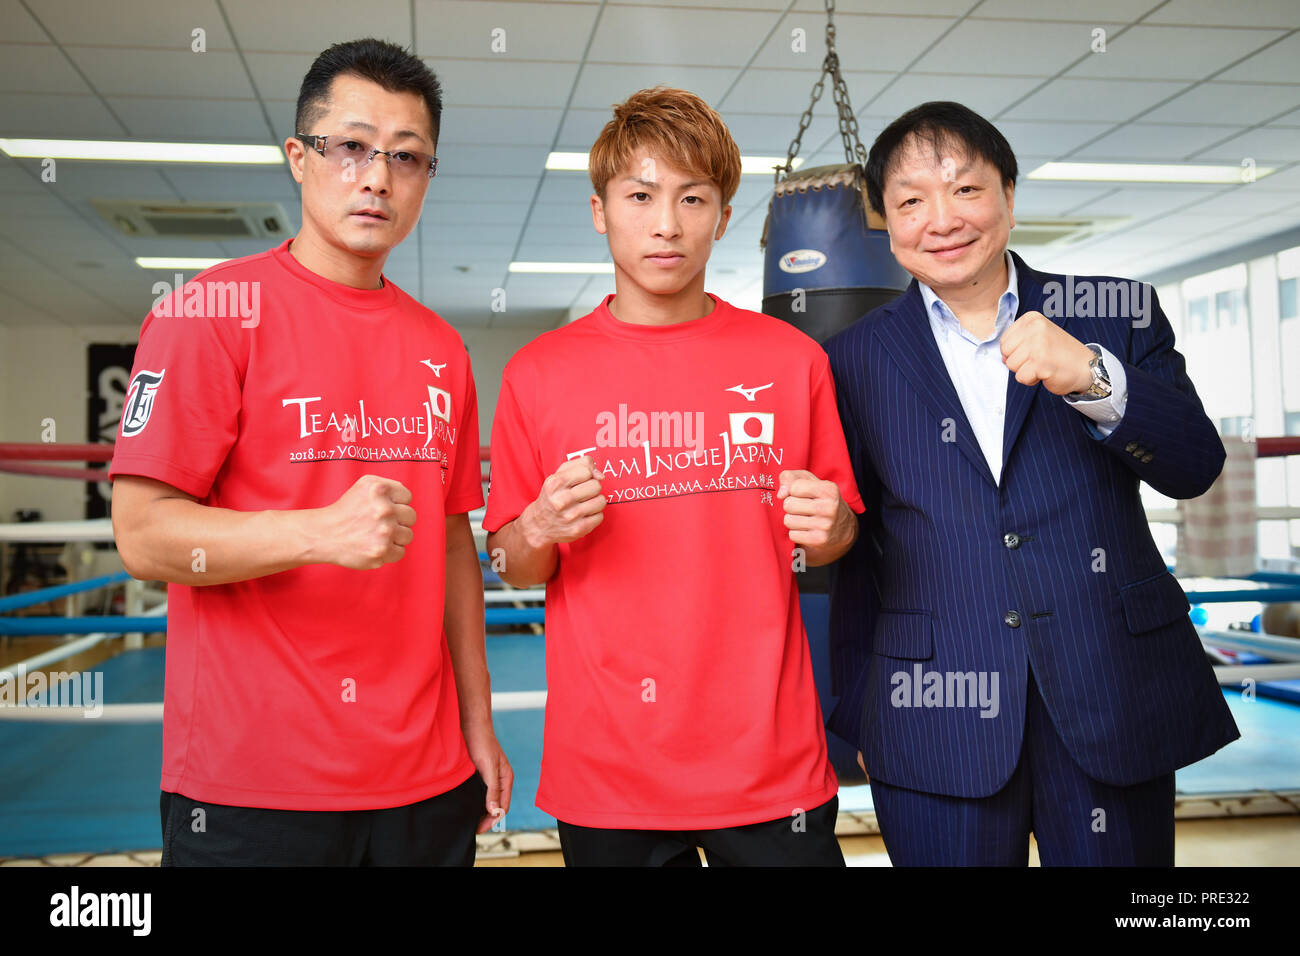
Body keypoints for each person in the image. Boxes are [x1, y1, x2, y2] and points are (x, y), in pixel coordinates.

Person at [108, 37, 511, 866]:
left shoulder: (441, 349)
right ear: (299, 157)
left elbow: (450, 540)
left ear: (427, 178)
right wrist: (318, 533)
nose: (377, 177)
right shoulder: (209, 314)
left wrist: (478, 720)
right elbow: (143, 535)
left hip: (424, 781)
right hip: (251, 787)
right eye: (350, 147)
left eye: (407, 157)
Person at [824, 100, 1240, 866]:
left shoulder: (1114, 313)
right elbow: (849, 546)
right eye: (911, 200)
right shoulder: (850, 359)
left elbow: (1195, 466)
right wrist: (859, 712)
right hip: (933, 709)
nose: (941, 219)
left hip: (1111, 690)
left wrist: (1092, 378)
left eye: (966, 189)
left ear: (1010, 197)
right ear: (884, 220)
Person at [483, 87, 864, 867]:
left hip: (770, 764)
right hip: (611, 772)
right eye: (640, 196)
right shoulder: (537, 373)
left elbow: (833, 538)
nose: (666, 224)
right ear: (600, 211)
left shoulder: (793, 361)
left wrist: (837, 528)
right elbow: (512, 561)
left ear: (723, 217)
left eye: (693, 198)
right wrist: (538, 528)